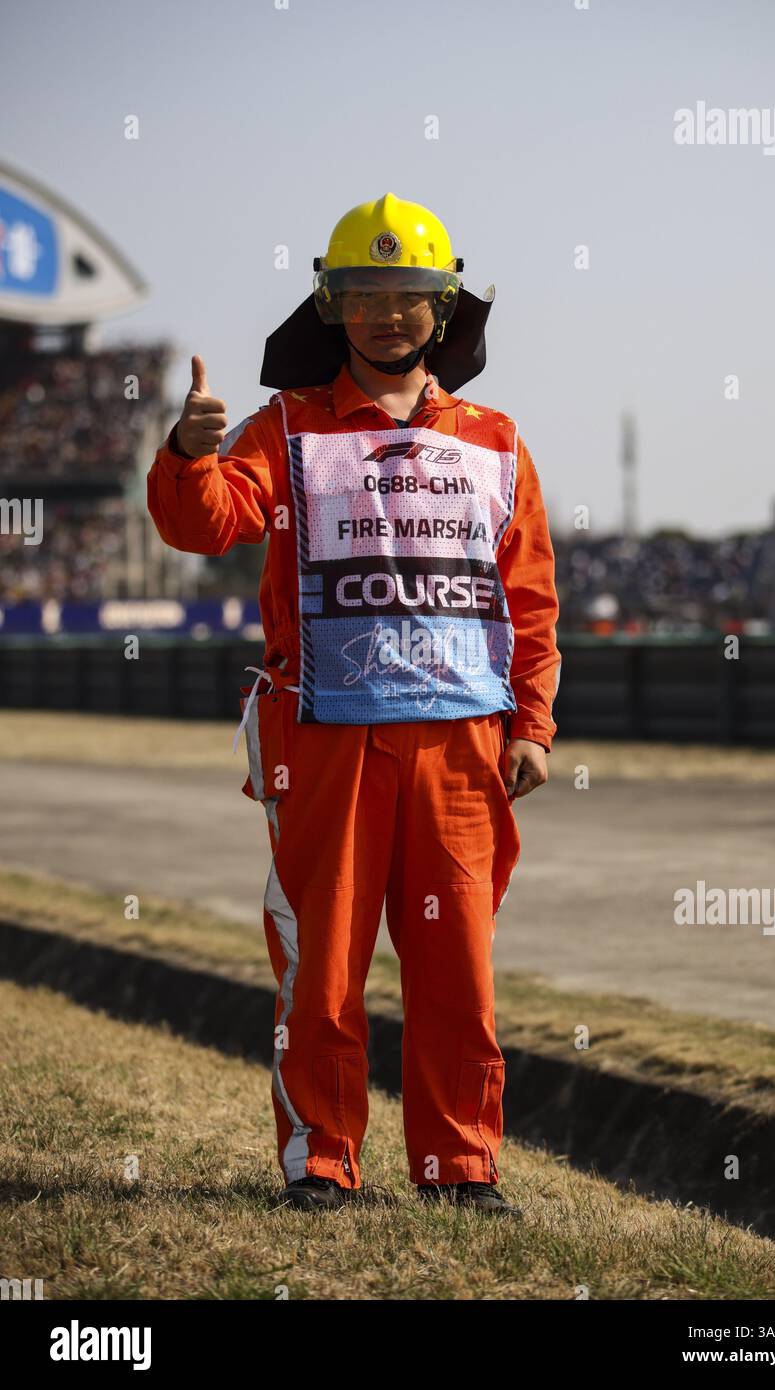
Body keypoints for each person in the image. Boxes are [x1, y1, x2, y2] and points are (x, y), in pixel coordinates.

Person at [147, 193, 561, 1217]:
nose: (387, 316)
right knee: (321, 964)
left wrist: (535, 726)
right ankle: (322, 1160)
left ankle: (461, 1168)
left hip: (461, 748)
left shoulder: (498, 440)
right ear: (331, 306)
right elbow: (203, 525)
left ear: (444, 307)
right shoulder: (281, 424)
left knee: (456, 970)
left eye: (409, 297)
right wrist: (190, 452)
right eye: (363, 296)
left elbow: (530, 600)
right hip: (324, 738)